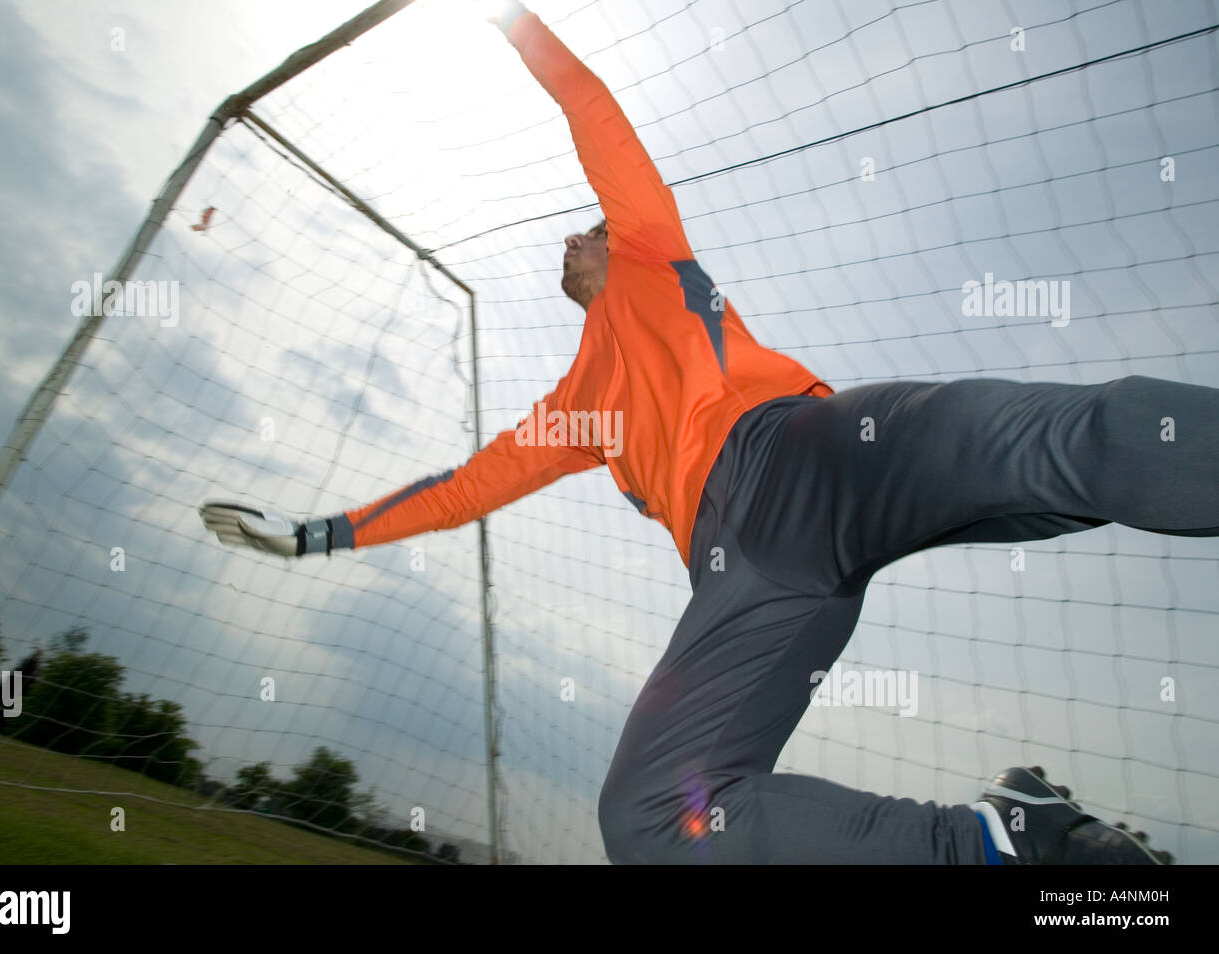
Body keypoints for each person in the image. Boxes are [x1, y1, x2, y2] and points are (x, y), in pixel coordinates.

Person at [201, 2, 1209, 864]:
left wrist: (505, 18)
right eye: (571, 239)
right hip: (751, 581)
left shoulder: (647, 247)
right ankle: (999, 840)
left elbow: (586, 106)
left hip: (816, 456)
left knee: (1068, 446)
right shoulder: (573, 416)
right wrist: (313, 534)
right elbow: (462, 490)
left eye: (582, 227)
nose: (573, 236)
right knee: (646, 822)